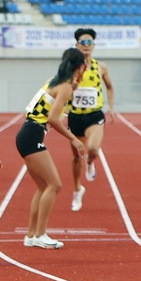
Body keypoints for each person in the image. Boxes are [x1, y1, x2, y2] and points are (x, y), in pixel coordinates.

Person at [16, 48, 86, 249]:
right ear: (80, 67)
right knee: (55, 185)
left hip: (27, 133)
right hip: (32, 135)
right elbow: (53, 119)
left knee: (43, 187)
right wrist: (73, 139)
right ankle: (40, 234)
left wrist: (71, 85)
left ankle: (31, 235)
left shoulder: (52, 81)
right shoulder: (64, 88)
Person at [65, 28, 115, 212]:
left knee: (93, 149)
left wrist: (111, 107)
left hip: (94, 115)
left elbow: (109, 87)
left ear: (93, 45)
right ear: (77, 45)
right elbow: (61, 87)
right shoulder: (69, 66)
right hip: (75, 116)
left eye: (89, 42)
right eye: (83, 43)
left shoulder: (101, 66)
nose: (86, 46)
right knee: (76, 155)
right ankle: (78, 189)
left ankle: (90, 161)